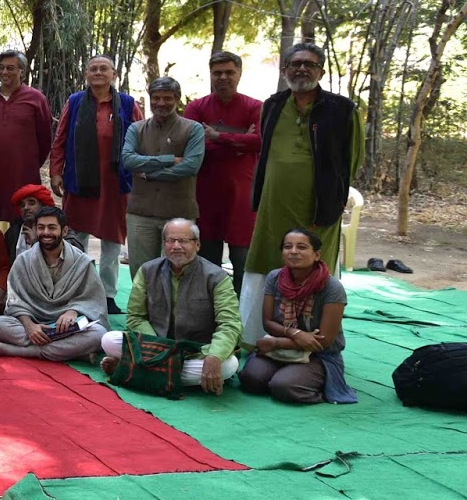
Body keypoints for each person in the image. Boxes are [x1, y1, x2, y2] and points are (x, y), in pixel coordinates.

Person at [243, 43, 365, 338]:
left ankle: (316, 338)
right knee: (267, 262)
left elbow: (354, 158)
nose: (301, 69)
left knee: (314, 268)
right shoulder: (272, 105)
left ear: (320, 71)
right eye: (295, 64)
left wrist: (331, 194)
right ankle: (257, 336)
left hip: (319, 207)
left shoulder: (342, 109)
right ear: (285, 70)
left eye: (309, 64)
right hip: (274, 203)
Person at [99, 218, 240, 395]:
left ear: (197, 245)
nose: (176, 246)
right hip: (154, 345)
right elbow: (136, 317)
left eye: (183, 241)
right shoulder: (148, 270)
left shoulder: (216, 277)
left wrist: (214, 356)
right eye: (170, 240)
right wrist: (158, 346)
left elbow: (230, 324)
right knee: (109, 340)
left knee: (228, 365)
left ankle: (132, 370)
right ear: (164, 244)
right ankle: (164, 374)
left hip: (195, 349)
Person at [50, 55, 141, 312]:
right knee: (76, 235)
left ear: (114, 74)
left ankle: (108, 294)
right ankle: (75, 289)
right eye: (93, 69)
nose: (98, 73)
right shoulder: (76, 102)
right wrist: (55, 171)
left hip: (116, 182)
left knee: (113, 240)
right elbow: (61, 138)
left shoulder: (126, 103)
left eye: (104, 69)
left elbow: (140, 137)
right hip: (80, 178)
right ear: (86, 74)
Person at [241, 227, 355, 404]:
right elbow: (268, 322)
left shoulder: (332, 287)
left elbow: (323, 341)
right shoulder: (275, 277)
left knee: (284, 387)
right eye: (288, 247)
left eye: (301, 247)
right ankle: (288, 374)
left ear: (316, 255)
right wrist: (296, 334)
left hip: (317, 354)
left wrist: (276, 342)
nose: (293, 252)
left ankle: (318, 382)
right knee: (251, 379)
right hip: (281, 348)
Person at [182, 52, 262, 293]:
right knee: (207, 259)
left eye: (229, 72)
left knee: (243, 259)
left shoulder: (255, 107)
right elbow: (192, 146)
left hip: (242, 196)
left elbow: (260, 142)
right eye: (217, 73)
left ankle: (243, 315)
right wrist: (240, 141)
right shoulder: (197, 107)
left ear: (239, 74)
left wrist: (217, 136)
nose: (223, 77)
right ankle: (208, 311)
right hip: (205, 195)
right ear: (210, 75)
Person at [0, 207, 107, 361]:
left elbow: (93, 300)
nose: (46, 233)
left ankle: (27, 351)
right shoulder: (23, 261)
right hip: (34, 321)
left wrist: (74, 311)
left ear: (64, 231)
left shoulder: (82, 262)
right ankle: (70, 351)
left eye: (52, 228)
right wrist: (30, 326)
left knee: (99, 334)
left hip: (67, 327)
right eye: (41, 227)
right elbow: (15, 301)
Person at [122, 76, 206, 276]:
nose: (161, 103)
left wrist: (149, 174)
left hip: (179, 212)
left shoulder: (193, 129)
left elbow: (190, 167)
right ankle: (144, 308)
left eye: (167, 98)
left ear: (177, 99)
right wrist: (168, 159)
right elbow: (128, 160)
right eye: (156, 98)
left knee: (176, 270)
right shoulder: (137, 128)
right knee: (140, 272)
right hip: (140, 212)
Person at [0, 50, 52, 224]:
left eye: (10, 68)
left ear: (22, 71)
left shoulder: (36, 99)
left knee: (21, 219)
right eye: (1, 68)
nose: (4, 72)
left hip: (22, 172)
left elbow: (45, 139)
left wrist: (27, 161)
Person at [7, 184, 55, 256]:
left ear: (43, 207)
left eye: (31, 203)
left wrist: (35, 243)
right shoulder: (12, 233)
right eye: (22, 205)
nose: (26, 208)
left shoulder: (55, 231)